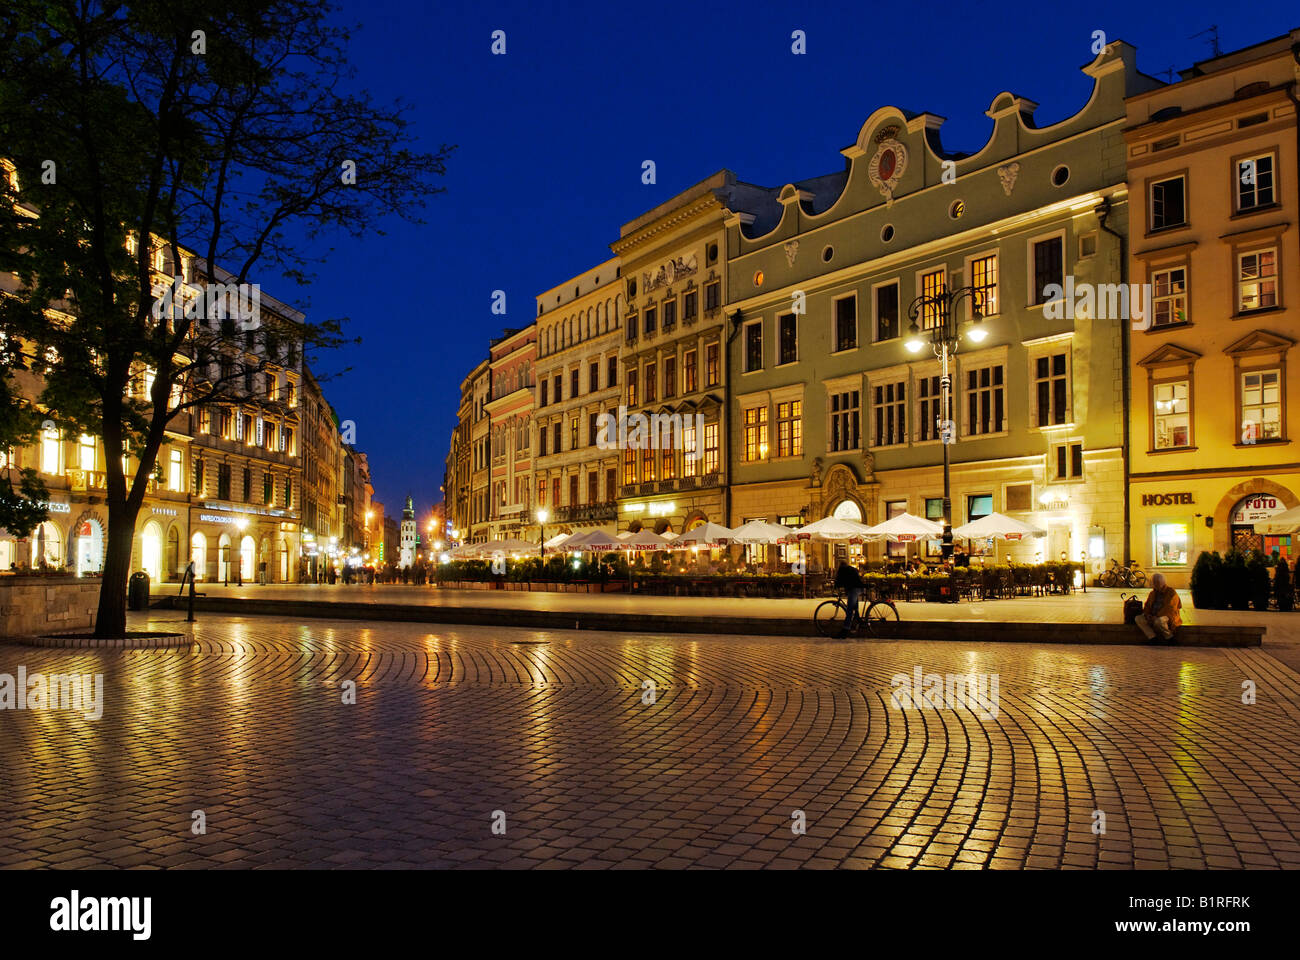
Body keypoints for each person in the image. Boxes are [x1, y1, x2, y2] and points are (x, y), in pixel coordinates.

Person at [1137, 572, 1181, 640]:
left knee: (1159, 621)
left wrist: (1157, 616)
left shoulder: (1171, 592)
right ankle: (1152, 637)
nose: (1155, 584)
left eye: (1157, 582)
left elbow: (1169, 608)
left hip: (1167, 616)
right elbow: (1147, 605)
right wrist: (1147, 614)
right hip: (1153, 616)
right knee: (1138, 618)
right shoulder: (1152, 593)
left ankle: (1169, 637)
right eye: (1154, 582)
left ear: (1162, 582)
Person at [834, 559, 865, 637]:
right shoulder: (851, 568)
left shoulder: (842, 570)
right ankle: (856, 621)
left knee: (849, 609)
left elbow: (839, 581)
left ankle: (845, 629)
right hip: (859, 588)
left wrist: (836, 587)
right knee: (854, 606)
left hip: (854, 589)